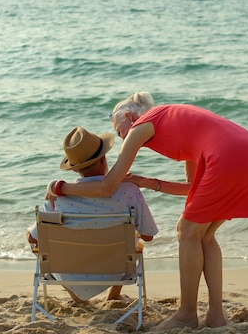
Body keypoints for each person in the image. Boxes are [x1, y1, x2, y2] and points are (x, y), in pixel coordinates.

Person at [48, 92, 248, 330]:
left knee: (186, 231)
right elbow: (191, 188)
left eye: (119, 130)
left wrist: (60, 187)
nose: (121, 137)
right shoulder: (177, 120)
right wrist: (146, 182)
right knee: (204, 236)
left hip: (228, 158)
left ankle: (186, 314)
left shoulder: (141, 126)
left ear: (128, 116)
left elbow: (106, 186)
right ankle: (216, 315)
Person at [27, 125, 158, 304]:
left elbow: (33, 239)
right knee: (132, 238)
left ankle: (78, 298)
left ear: (74, 169)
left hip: (70, 272)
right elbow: (147, 236)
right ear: (104, 159)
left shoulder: (58, 198)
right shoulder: (129, 191)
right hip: (117, 270)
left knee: (43, 245)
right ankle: (114, 294)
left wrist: (29, 231)